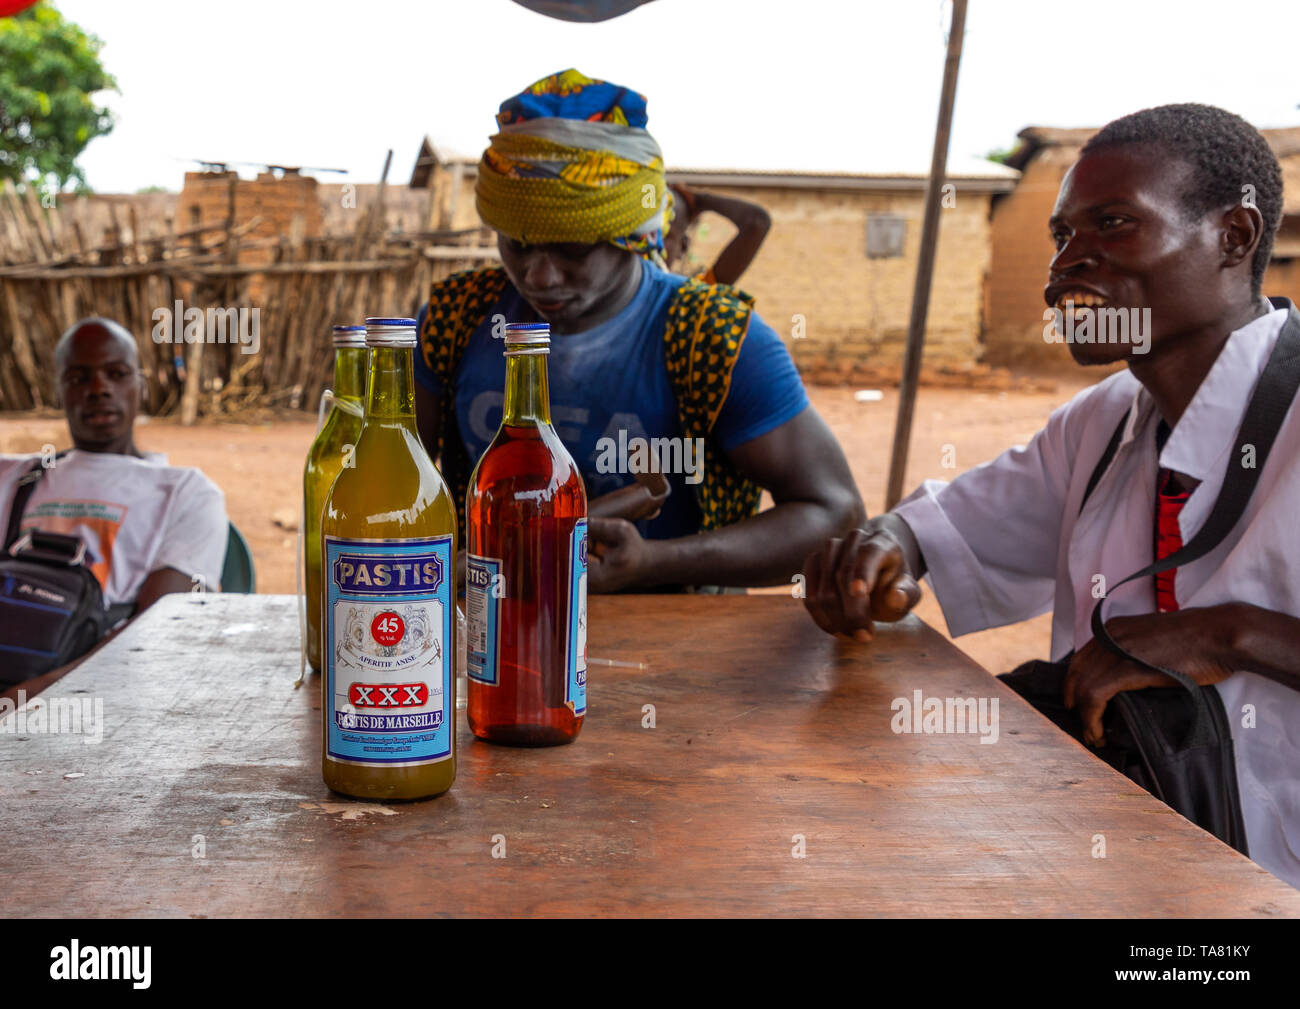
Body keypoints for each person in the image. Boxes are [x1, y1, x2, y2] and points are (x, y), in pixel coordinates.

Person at [800, 104, 1300, 888]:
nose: (1068, 264)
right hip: (1136, 863)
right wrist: (880, 551)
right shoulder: (1104, 423)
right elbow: (944, 528)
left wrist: (1229, 634)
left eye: (1112, 225)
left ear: (1233, 237)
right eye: (1062, 236)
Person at [415, 69, 862, 593]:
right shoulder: (456, 319)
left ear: (633, 234)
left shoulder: (715, 338)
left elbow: (835, 513)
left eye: (573, 248)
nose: (539, 276)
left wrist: (654, 563)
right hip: (496, 639)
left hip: (680, 653)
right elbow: (396, 490)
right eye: (516, 244)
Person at [0, 318, 228, 690]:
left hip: (109, 695)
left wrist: (39, 693)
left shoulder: (186, 492)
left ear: (141, 385)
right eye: (78, 377)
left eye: (116, 373)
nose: (99, 389)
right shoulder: (14, 477)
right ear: (59, 392)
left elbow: (160, 631)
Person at [664, 183, 771, 286]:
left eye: (665, 236)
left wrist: (699, 200)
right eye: (647, 233)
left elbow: (757, 221)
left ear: (682, 247)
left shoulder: (690, 296)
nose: (653, 244)